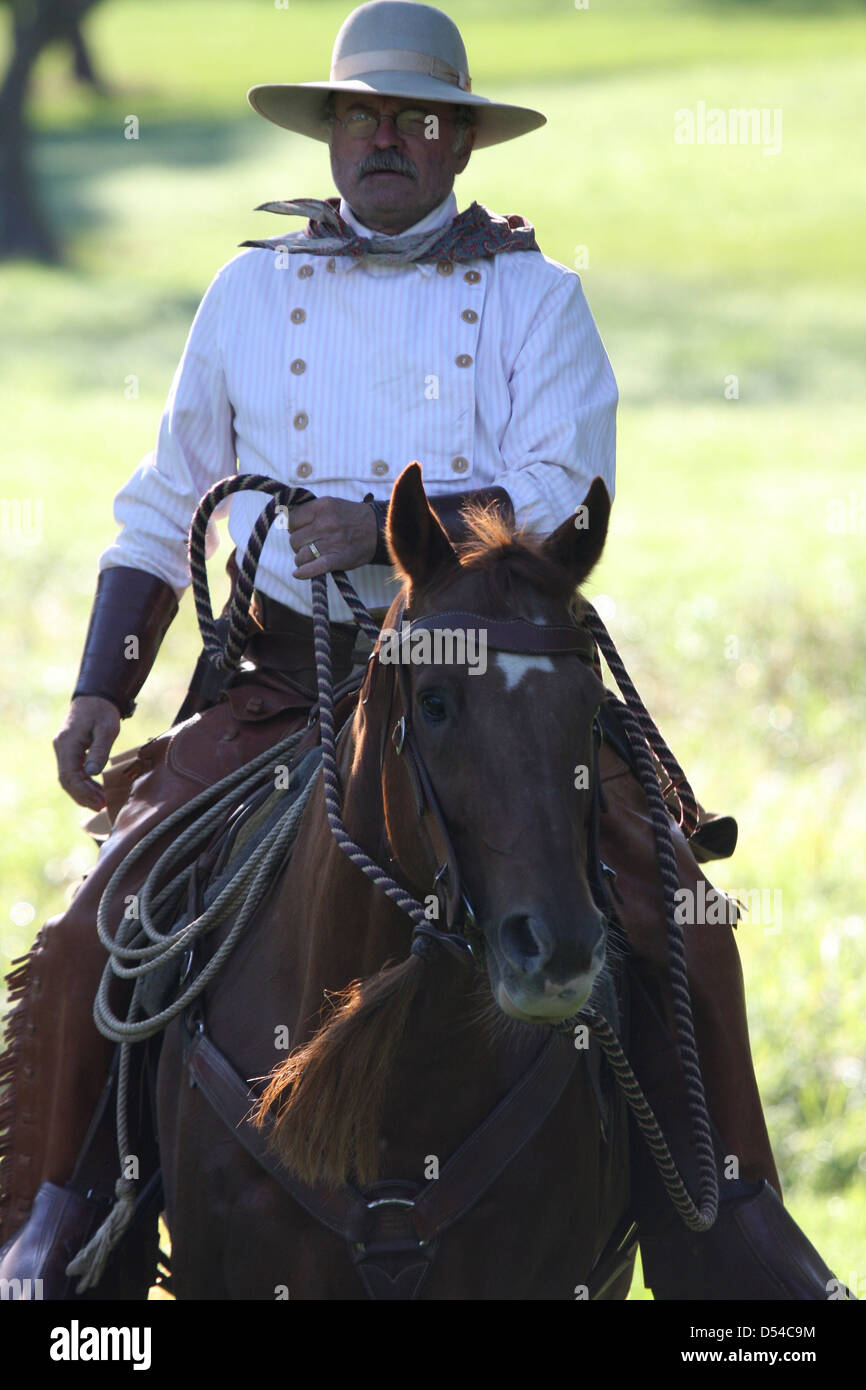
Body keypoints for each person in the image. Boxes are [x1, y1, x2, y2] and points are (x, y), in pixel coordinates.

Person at [0, 0, 841, 1299]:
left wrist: (407, 532)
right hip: (283, 682)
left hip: (489, 677)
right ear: (332, 134)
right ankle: (63, 1227)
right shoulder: (244, 290)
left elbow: (561, 494)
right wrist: (100, 690)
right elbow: (166, 499)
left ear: (458, 143)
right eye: (362, 115)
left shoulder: (533, 296)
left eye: (416, 117)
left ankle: (725, 1220)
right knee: (92, 916)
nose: (385, 136)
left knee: (673, 901)